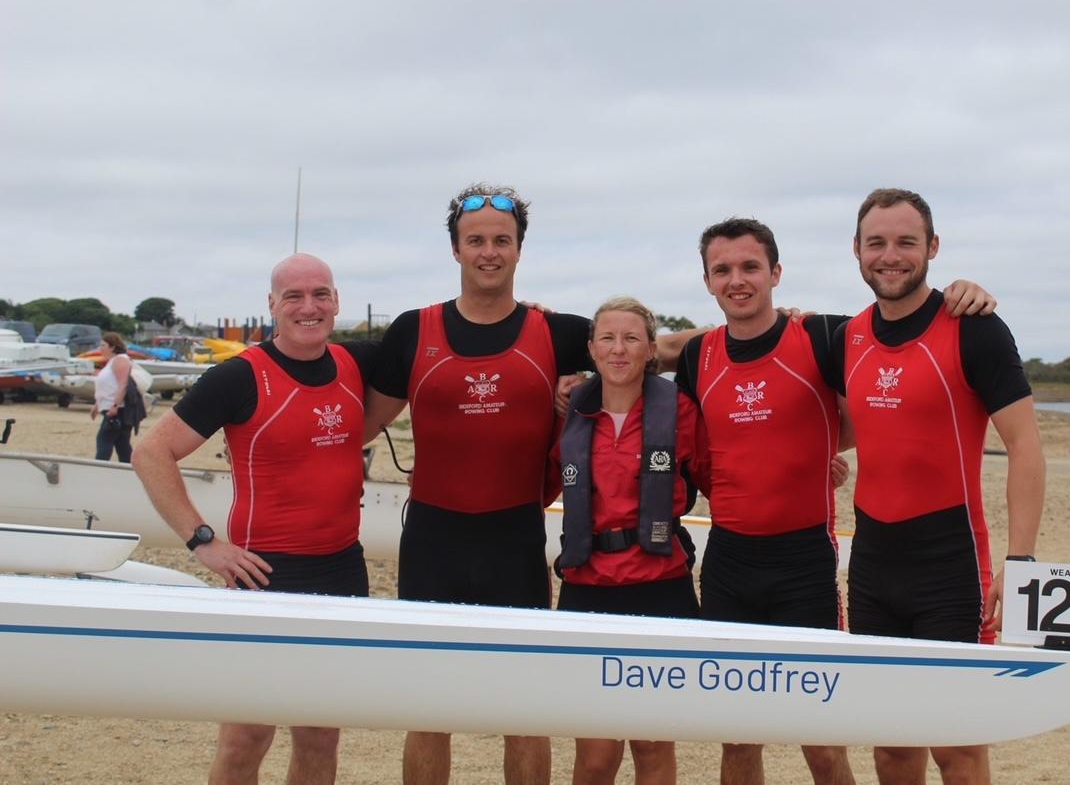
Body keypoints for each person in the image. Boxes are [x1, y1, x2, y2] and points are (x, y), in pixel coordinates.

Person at [365, 184, 699, 785]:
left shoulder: (560, 333)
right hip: (434, 538)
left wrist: (781, 328)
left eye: (502, 240)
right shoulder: (414, 332)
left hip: (515, 538)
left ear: (520, 250)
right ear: (455, 249)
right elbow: (352, 426)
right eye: (476, 241)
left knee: (525, 710)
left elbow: (659, 349)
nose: (489, 252)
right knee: (428, 711)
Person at [674, 218, 995, 785]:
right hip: (727, 563)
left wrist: (962, 295)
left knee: (822, 740)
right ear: (707, 281)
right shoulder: (697, 354)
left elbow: (889, 370)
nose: (738, 280)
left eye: (750, 267)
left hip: (805, 565)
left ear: (775, 272)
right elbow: (635, 362)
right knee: (738, 737)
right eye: (722, 270)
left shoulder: (823, 336)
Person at [133, 253, 377, 785]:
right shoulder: (240, 376)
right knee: (246, 736)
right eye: (294, 296)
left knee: (320, 736)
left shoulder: (357, 363)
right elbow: (151, 453)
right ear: (272, 306)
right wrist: (202, 541)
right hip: (265, 576)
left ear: (337, 302)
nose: (308, 307)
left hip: (342, 574)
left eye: (320, 294)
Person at [835, 188, 1045, 785]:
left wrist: (1021, 560)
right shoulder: (846, 335)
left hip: (950, 565)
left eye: (906, 241)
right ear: (856, 250)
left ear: (932, 247)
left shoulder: (975, 329)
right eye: (876, 242)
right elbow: (846, 423)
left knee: (957, 746)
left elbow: (1026, 447)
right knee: (892, 748)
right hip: (874, 565)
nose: (890, 255)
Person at [551, 297, 708, 785]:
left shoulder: (680, 411)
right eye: (608, 338)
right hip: (587, 589)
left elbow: (726, 478)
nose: (619, 349)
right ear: (592, 349)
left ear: (649, 351)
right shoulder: (570, 410)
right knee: (596, 754)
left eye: (631, 338)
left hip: (660, 588)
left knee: (652, 743)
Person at [90, 332, 135, 462]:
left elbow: (123, 384)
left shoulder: (120, 360)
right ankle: (131, 471)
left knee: (104, 440)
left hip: (118, 409)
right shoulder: (113, 361)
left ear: (112, 347)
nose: (100, 348)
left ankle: (100, 470)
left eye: (103, 345)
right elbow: (108, 387)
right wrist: (97, 406)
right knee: (122, 445)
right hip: (112, 408)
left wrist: (115, 405)